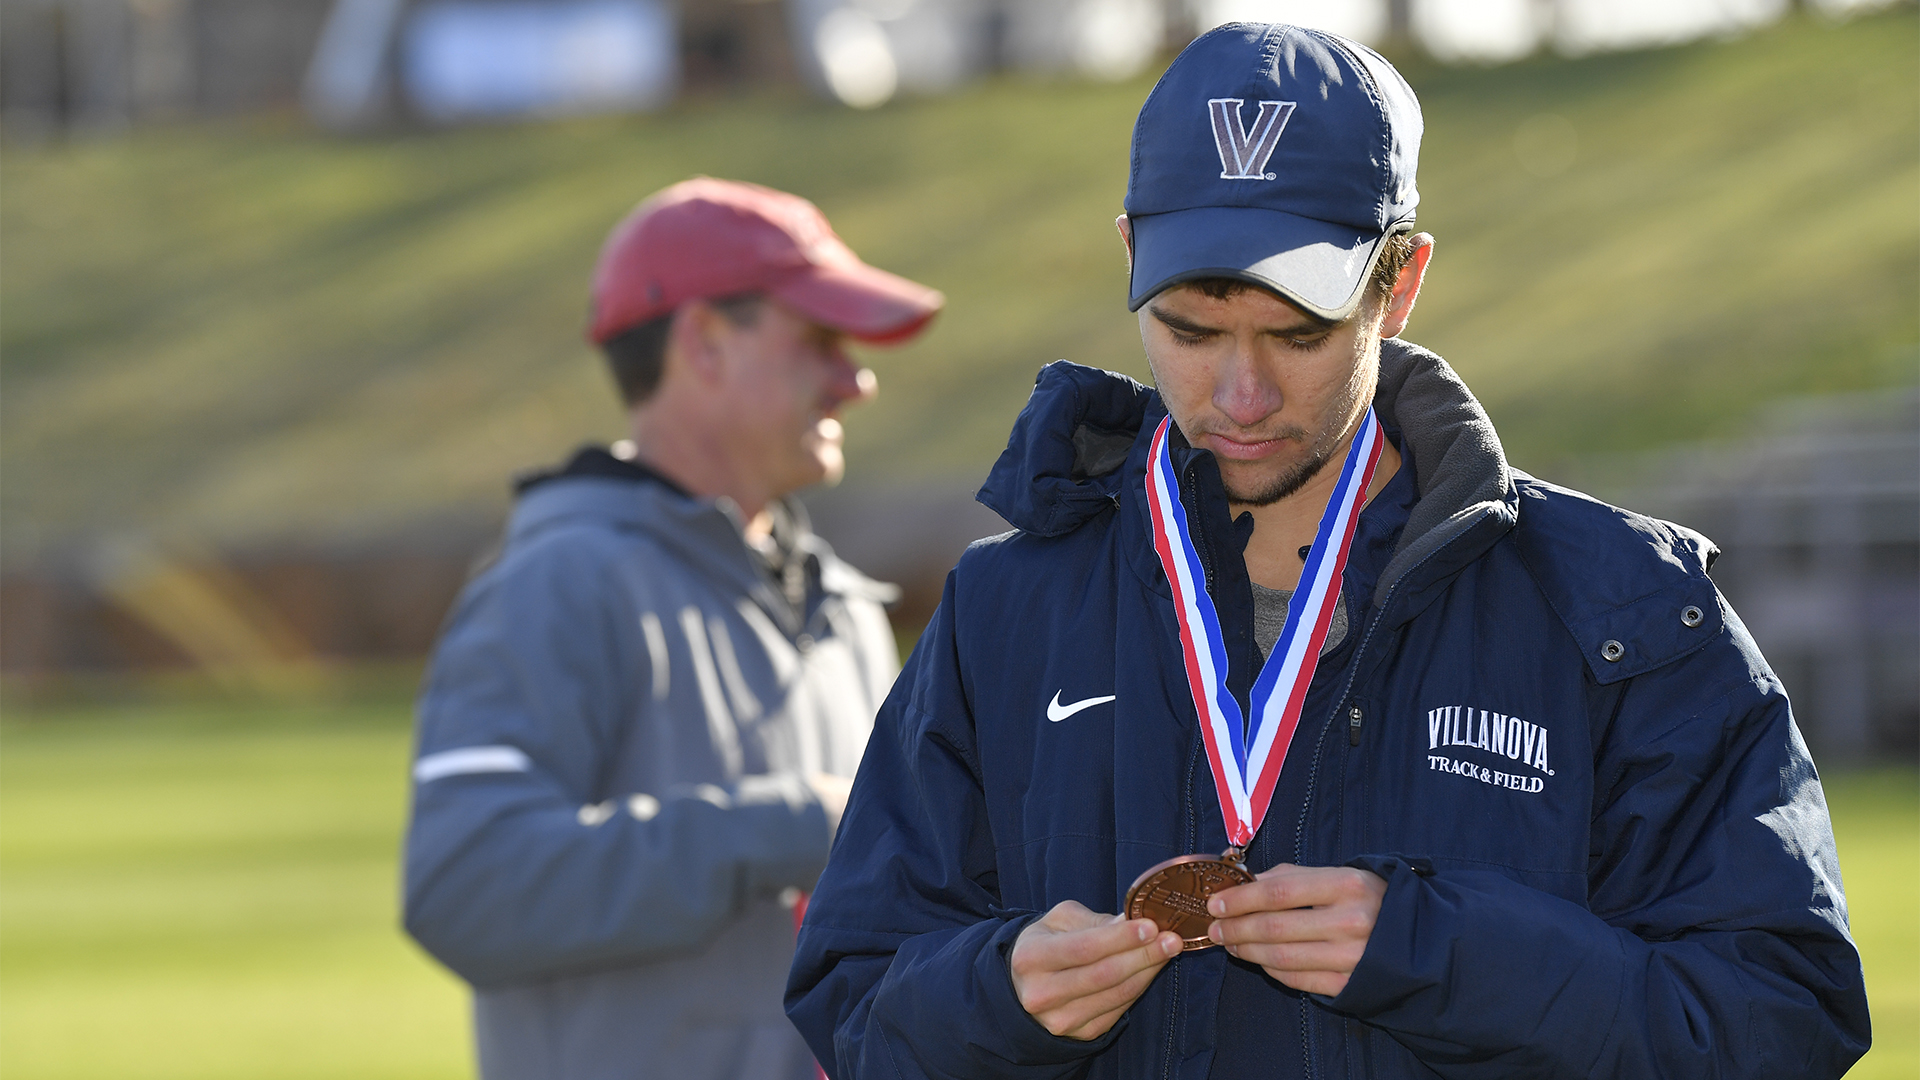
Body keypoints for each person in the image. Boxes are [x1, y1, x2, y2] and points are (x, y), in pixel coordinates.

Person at [786, 24, 1869, 1080]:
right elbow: (853, 1001)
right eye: (1191, 330)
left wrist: (1439, 953)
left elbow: (1784, 1016)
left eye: (1301, 333)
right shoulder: (1002, 610)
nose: (1242, 395)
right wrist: (995, 994)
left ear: (1401, 282)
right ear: (1129, 255)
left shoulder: (1624, 608)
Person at [403, 177, 943, 1080]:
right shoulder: (559, 584)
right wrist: (797, 823)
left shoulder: (844, 607)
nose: (857, 380)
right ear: (702, 342)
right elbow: (464, 886)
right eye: (818, 339)